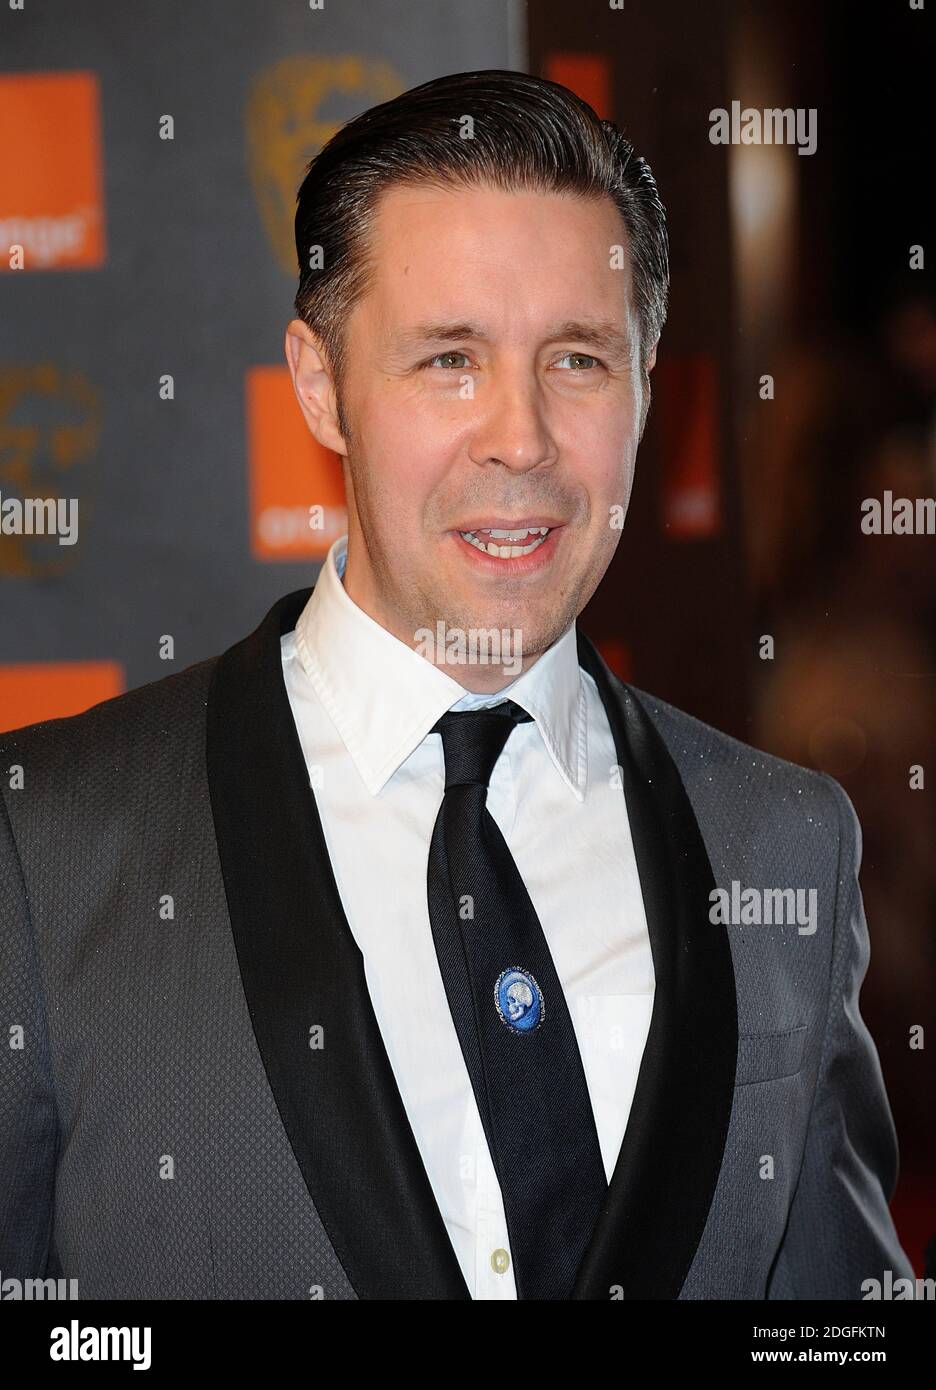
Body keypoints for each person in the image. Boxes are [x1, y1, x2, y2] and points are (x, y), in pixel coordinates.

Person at [0, 69, 914, 1300]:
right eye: (449, 360)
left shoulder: (786, 842)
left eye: (579, 360)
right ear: (320, 385)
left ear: (648, 381)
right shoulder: (48, 844)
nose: (522, 439)